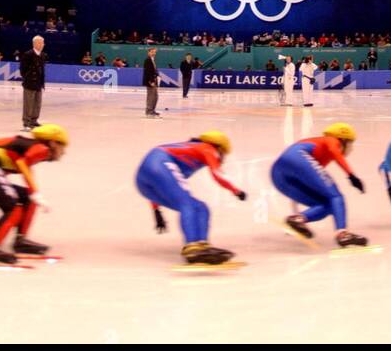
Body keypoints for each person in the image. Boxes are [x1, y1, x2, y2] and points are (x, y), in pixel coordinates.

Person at [0, 123, 68, 265]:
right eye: (63, 147)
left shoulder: (29, 147)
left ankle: (20, 240)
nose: (64, 152)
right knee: (13, 208)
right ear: (53, 143)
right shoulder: (42, 149)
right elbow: (22, 164)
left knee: (27, 198)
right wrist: (35, 192)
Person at [134, 131, 246, 265]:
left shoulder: (188, 151)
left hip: (143, 182)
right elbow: (217, 175)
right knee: (188, 204)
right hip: (160, 164)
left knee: (199, 207)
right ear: (219, 148)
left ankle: (202, 246)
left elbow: (158, 181)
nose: (222, 158)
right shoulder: (208, 148)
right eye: (223, 154)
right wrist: (236, 191)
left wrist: (156, 210)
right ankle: (193, 246)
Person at [270, 122, 367, 247]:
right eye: (350, 143)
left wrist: (296, 219)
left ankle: (298, 219)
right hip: (298, 157)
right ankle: (343, 235)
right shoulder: (331, 140)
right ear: (342, 140)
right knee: (336, 196)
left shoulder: (319, 154)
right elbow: (334, 150)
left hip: (278, 174)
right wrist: (351, 175)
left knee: (328, 204)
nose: (350, 148)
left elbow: (298, 187)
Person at [20, 34, 46, 129]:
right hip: (29, 83)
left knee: (37, 104)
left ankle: (34, 120)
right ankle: (26, 122)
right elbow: (23, 70)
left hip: (39, 83)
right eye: (42, 43)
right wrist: (27, 78)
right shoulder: (28, 54)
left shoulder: (43, 55)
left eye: (43, 43)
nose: (43, 44)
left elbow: (42, 70)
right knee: (28, 104)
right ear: (36, 43)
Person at [143, 45, 159, 117]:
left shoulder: (153, 60)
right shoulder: (147, 60)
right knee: (151, 96)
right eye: (152, 52)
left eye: (155, 52)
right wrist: (151, 81)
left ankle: (152, 110)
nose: (153, 53)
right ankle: (149, 111)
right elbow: (148, 72)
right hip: (150, 82)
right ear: (148, 52)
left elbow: (153, 71)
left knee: (155, 96)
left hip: (154, 81)